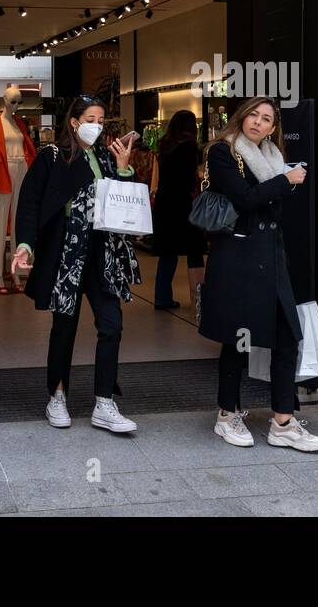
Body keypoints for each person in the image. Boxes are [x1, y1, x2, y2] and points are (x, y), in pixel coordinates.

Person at [199, 97, 318, 452]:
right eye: (253, 115)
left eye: (266, 118)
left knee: (287, 337)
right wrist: (285, 181)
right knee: (236, 340)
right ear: (241, 117)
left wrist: (283, 179)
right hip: (237, 259)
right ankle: (227, 414)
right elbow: (243, 198)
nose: (258, 122)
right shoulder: (223, 152)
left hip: (270, 259)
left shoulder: (273, 156)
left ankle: (282, 422)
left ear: (274, 127)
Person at [11, 96, 142, 434]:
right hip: (67, 251)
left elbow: (124, 204)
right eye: (90, 118)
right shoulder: (52, 157)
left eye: (100, 120)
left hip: (101, 251)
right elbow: (30, 203)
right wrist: (25, 244)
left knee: (111, 323)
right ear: (73, 121)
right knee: (64, 326)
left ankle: (104, 402)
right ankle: (57, 395)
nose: (96, 125)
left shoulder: (105, 155)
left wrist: (124, 166)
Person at [150, 110, 205, 312]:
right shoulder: (189, 146)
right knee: (195, 250)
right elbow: (188, 178)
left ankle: (161, 298)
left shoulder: (165, 144)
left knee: (168, 254)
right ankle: (200, 298)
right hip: (183, 205)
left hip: (165, 204)